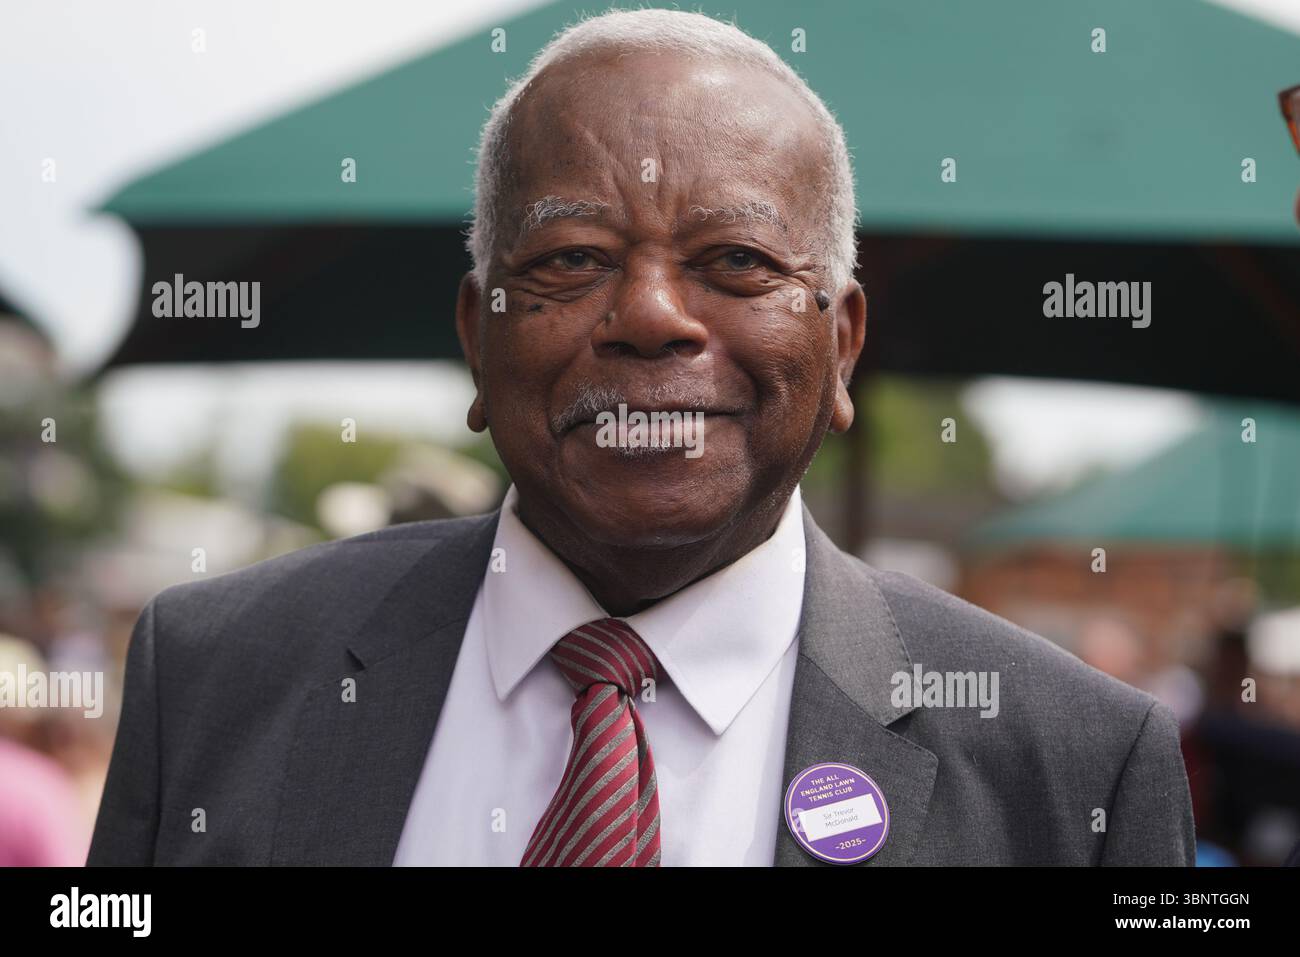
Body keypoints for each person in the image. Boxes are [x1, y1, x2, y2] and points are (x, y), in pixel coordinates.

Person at [88, 9, 1193, 867]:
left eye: (738, 263)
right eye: (570, 259)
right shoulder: (217, 672)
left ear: (841, 344)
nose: (652, 316)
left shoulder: (1073, 765)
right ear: (480, 337)